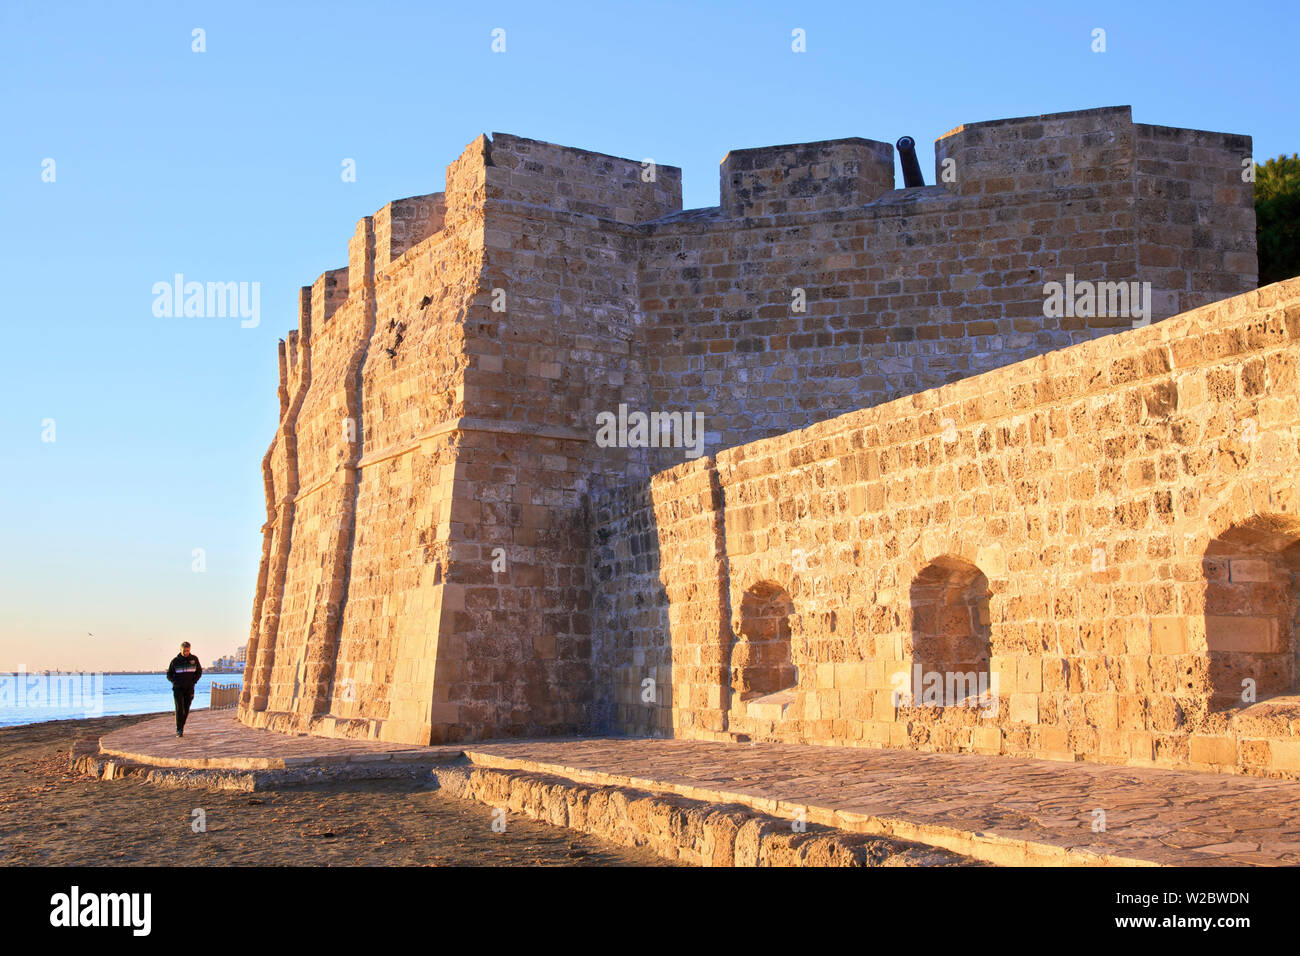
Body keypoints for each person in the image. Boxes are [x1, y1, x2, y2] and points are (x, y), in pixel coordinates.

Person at [166, 642, 203, 738]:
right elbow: (169, 674)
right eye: (184, 650)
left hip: (189, 688)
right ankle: (179, 729)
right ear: (180, 650)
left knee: (186, 709)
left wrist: (194, 681)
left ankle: (181, 726)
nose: (186, 652)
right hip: (178, 689)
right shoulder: (175, 661)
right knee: (179, 709)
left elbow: (199, 672)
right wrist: (175, 682)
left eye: (187, 650)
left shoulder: (194, 659)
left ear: (189, 650)